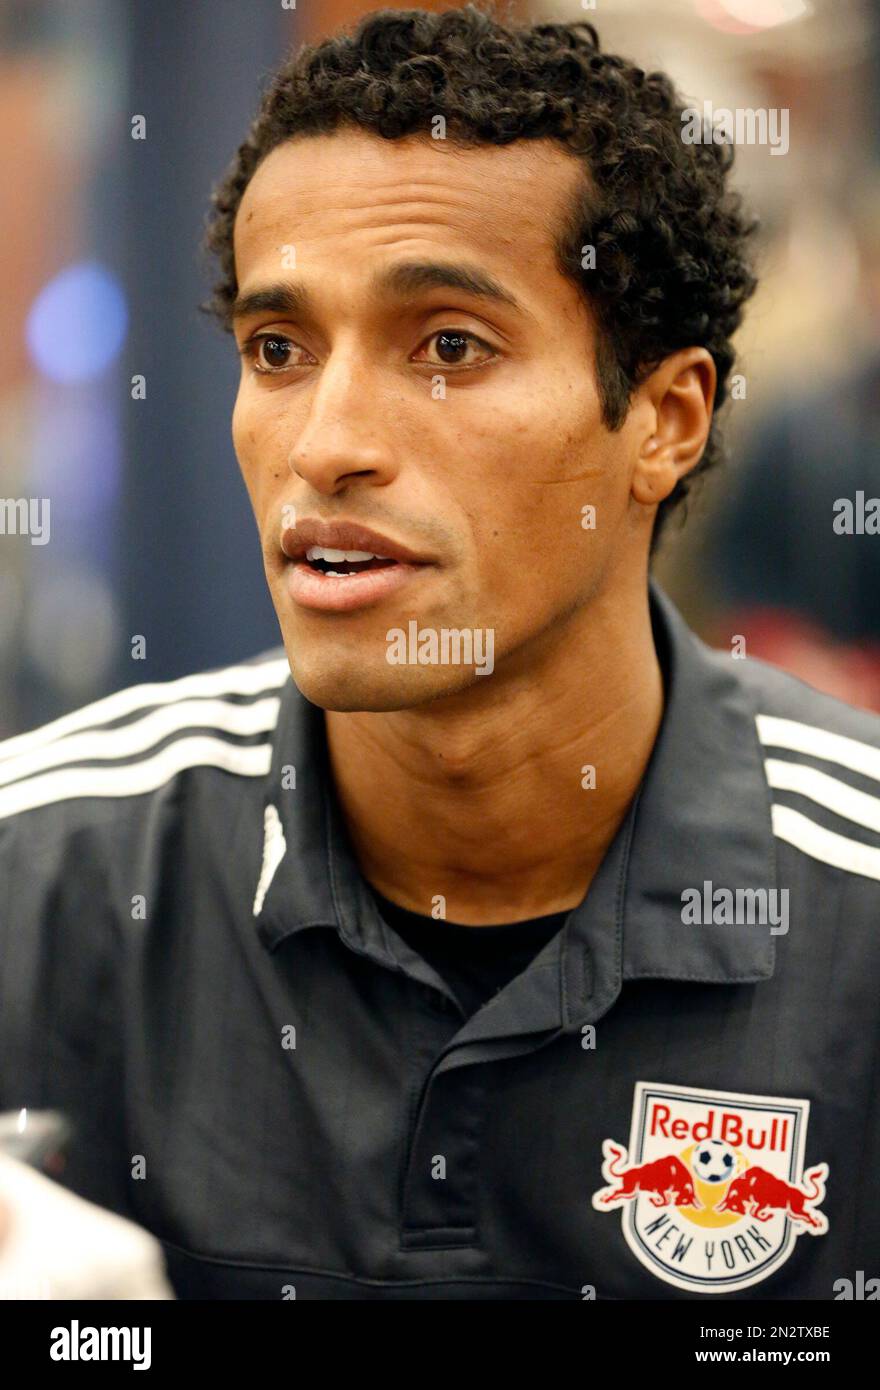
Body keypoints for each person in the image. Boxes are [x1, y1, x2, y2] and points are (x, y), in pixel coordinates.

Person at [1, 6, 878, 1299]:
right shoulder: (49, 869)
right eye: (279, 350)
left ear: (666, 420)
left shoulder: (851, 907)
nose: (326, 444)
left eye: (449, 348)